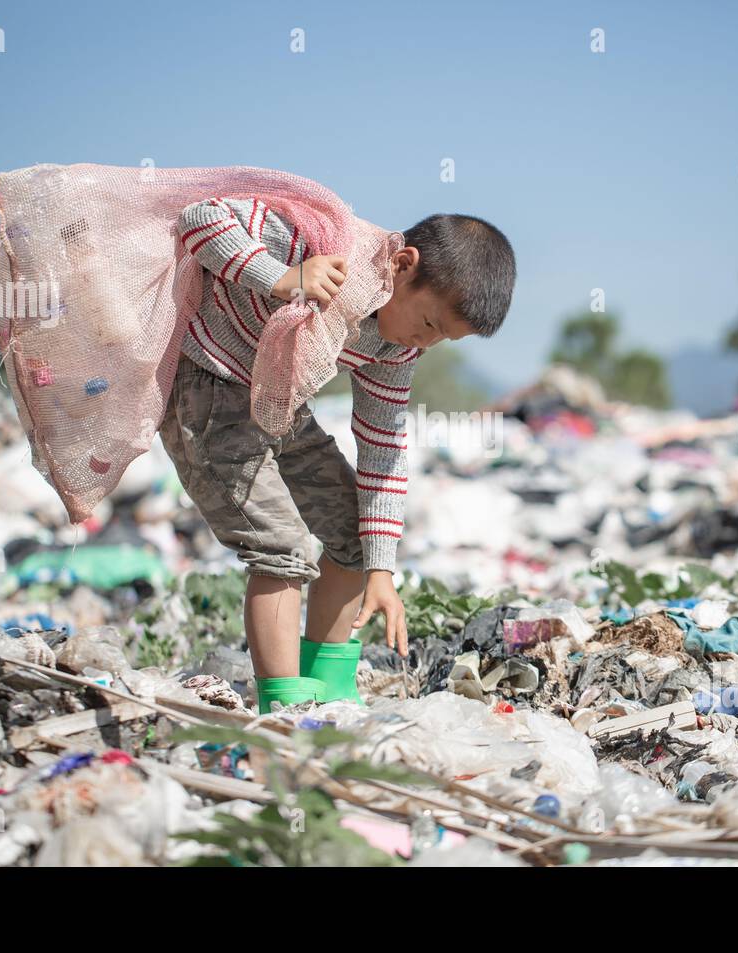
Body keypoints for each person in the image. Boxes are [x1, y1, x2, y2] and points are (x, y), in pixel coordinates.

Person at [162, 194, 516, 712]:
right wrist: (276, 276)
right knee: (282, 549)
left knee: (356, 535)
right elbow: (198, 217)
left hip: (277, 399)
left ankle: (329, 689)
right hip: (206, 386)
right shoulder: (328, 249)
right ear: (402, 265)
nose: (428, 342)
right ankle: (284, 710)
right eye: (430, 324)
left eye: (444, 338)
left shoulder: (397, 347)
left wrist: (382, 570)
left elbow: (383, 444)